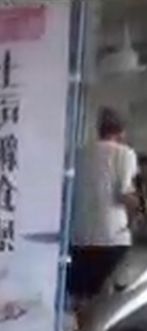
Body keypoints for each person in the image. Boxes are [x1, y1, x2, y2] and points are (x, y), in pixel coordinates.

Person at [70, 108, 140, 306]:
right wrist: (140, 208)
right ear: (122, 131)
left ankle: (78, 324)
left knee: (80, 295)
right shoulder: (125, 154)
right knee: (108, 299)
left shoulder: (80, 153)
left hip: (80, 236)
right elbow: (124, 194)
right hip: (111, 237)